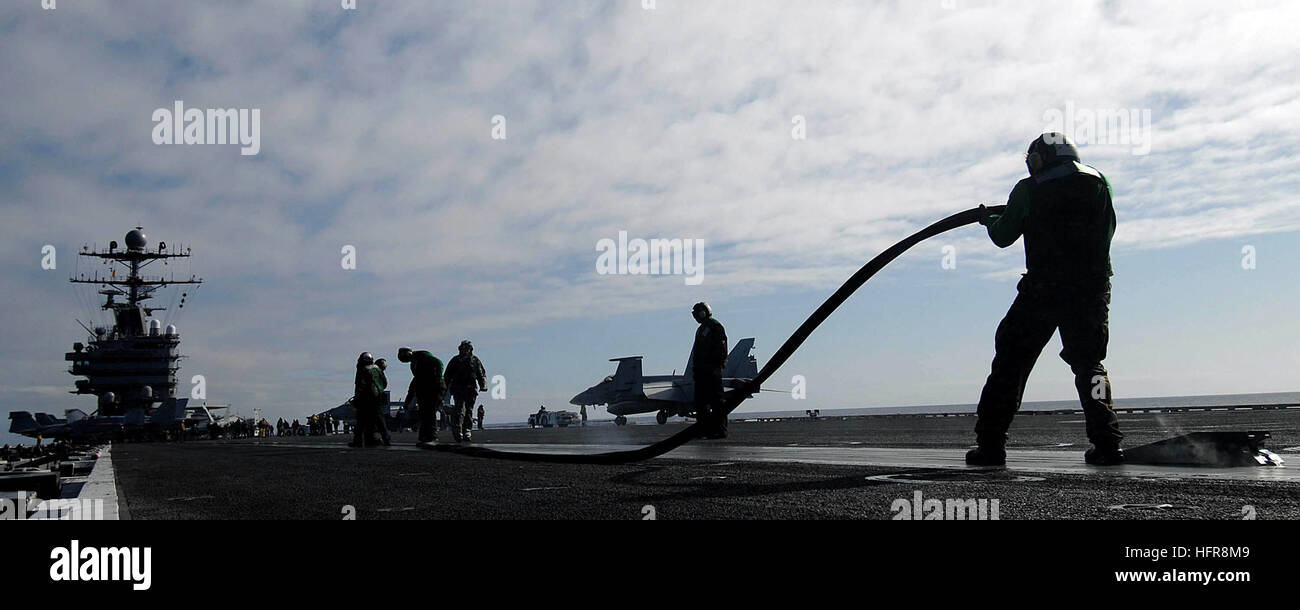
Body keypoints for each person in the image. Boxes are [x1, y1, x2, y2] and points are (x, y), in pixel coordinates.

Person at [967, 133, 1123, 467]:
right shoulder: (1100, 182)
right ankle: (1108, 443)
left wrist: (987, 220)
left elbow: (1003, 236)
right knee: (1089, 365)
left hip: (1044, 287)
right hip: (1092, 287)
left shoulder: (1028, 189)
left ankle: (990, 445)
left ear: (1039, 159)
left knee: (1010, 363)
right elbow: (1109, 229)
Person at [690, 302, 728, 439]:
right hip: (701, 372)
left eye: (697, 313)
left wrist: (718, 366)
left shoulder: (714, 326)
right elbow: (697, 352)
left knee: (717, 402)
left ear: (703, 312)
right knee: (701, 403)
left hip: (712, 371)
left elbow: (721, 348)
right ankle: (705, 430)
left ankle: (720, 430)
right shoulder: (701, 330)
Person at [398, 347, 446, 445]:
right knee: (425, 412)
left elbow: (439, 363)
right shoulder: (415, 363)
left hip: (434, 387)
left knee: (430, 412)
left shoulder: (423, 357)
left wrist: (437, 378)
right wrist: (407, 401)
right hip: (426, 388)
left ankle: (431, 436)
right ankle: (424, 436)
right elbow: (415, 381)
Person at [443, 340, 487, 442]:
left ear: (470, 350)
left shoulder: (475, 360)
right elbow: (447, 375)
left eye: (467, 348)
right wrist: (444, 387)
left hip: (471, 388)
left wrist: (483, 385)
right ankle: (458, 430)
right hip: (458, 388)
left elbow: (481, 373)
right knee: (459, 410)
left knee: (469, 410)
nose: (465, 350)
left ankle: (467, 430)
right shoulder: (455, 360)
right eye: (463, 348)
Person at [349, 352, 390, 447]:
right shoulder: (377, 369)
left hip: (366, 398)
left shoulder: (362, 369)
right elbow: (384, 383)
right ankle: (385, 439)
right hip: (378, 397)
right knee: (379, 420)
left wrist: (357, 398)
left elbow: (359, 385)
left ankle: (358, 441)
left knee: (361, 420)